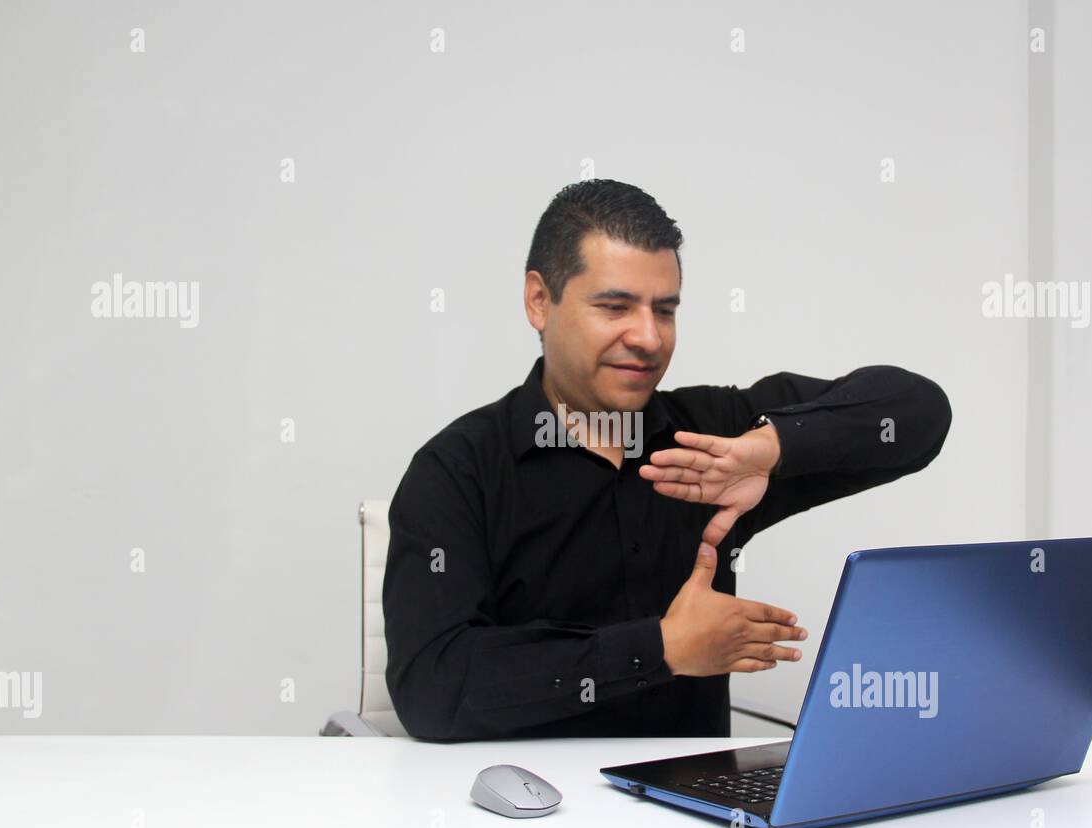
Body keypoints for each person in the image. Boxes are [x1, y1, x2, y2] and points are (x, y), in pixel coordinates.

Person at [384, 179, 952, 741]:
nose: (649, 338)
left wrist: (773, 448)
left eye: (665, 310)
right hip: (524, 812)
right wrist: (662, 650)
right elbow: (432, 688)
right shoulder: (456, 472)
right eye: (615, 307)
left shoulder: (717, 443)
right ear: (540, 301)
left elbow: (920, 413)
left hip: (698, 817)